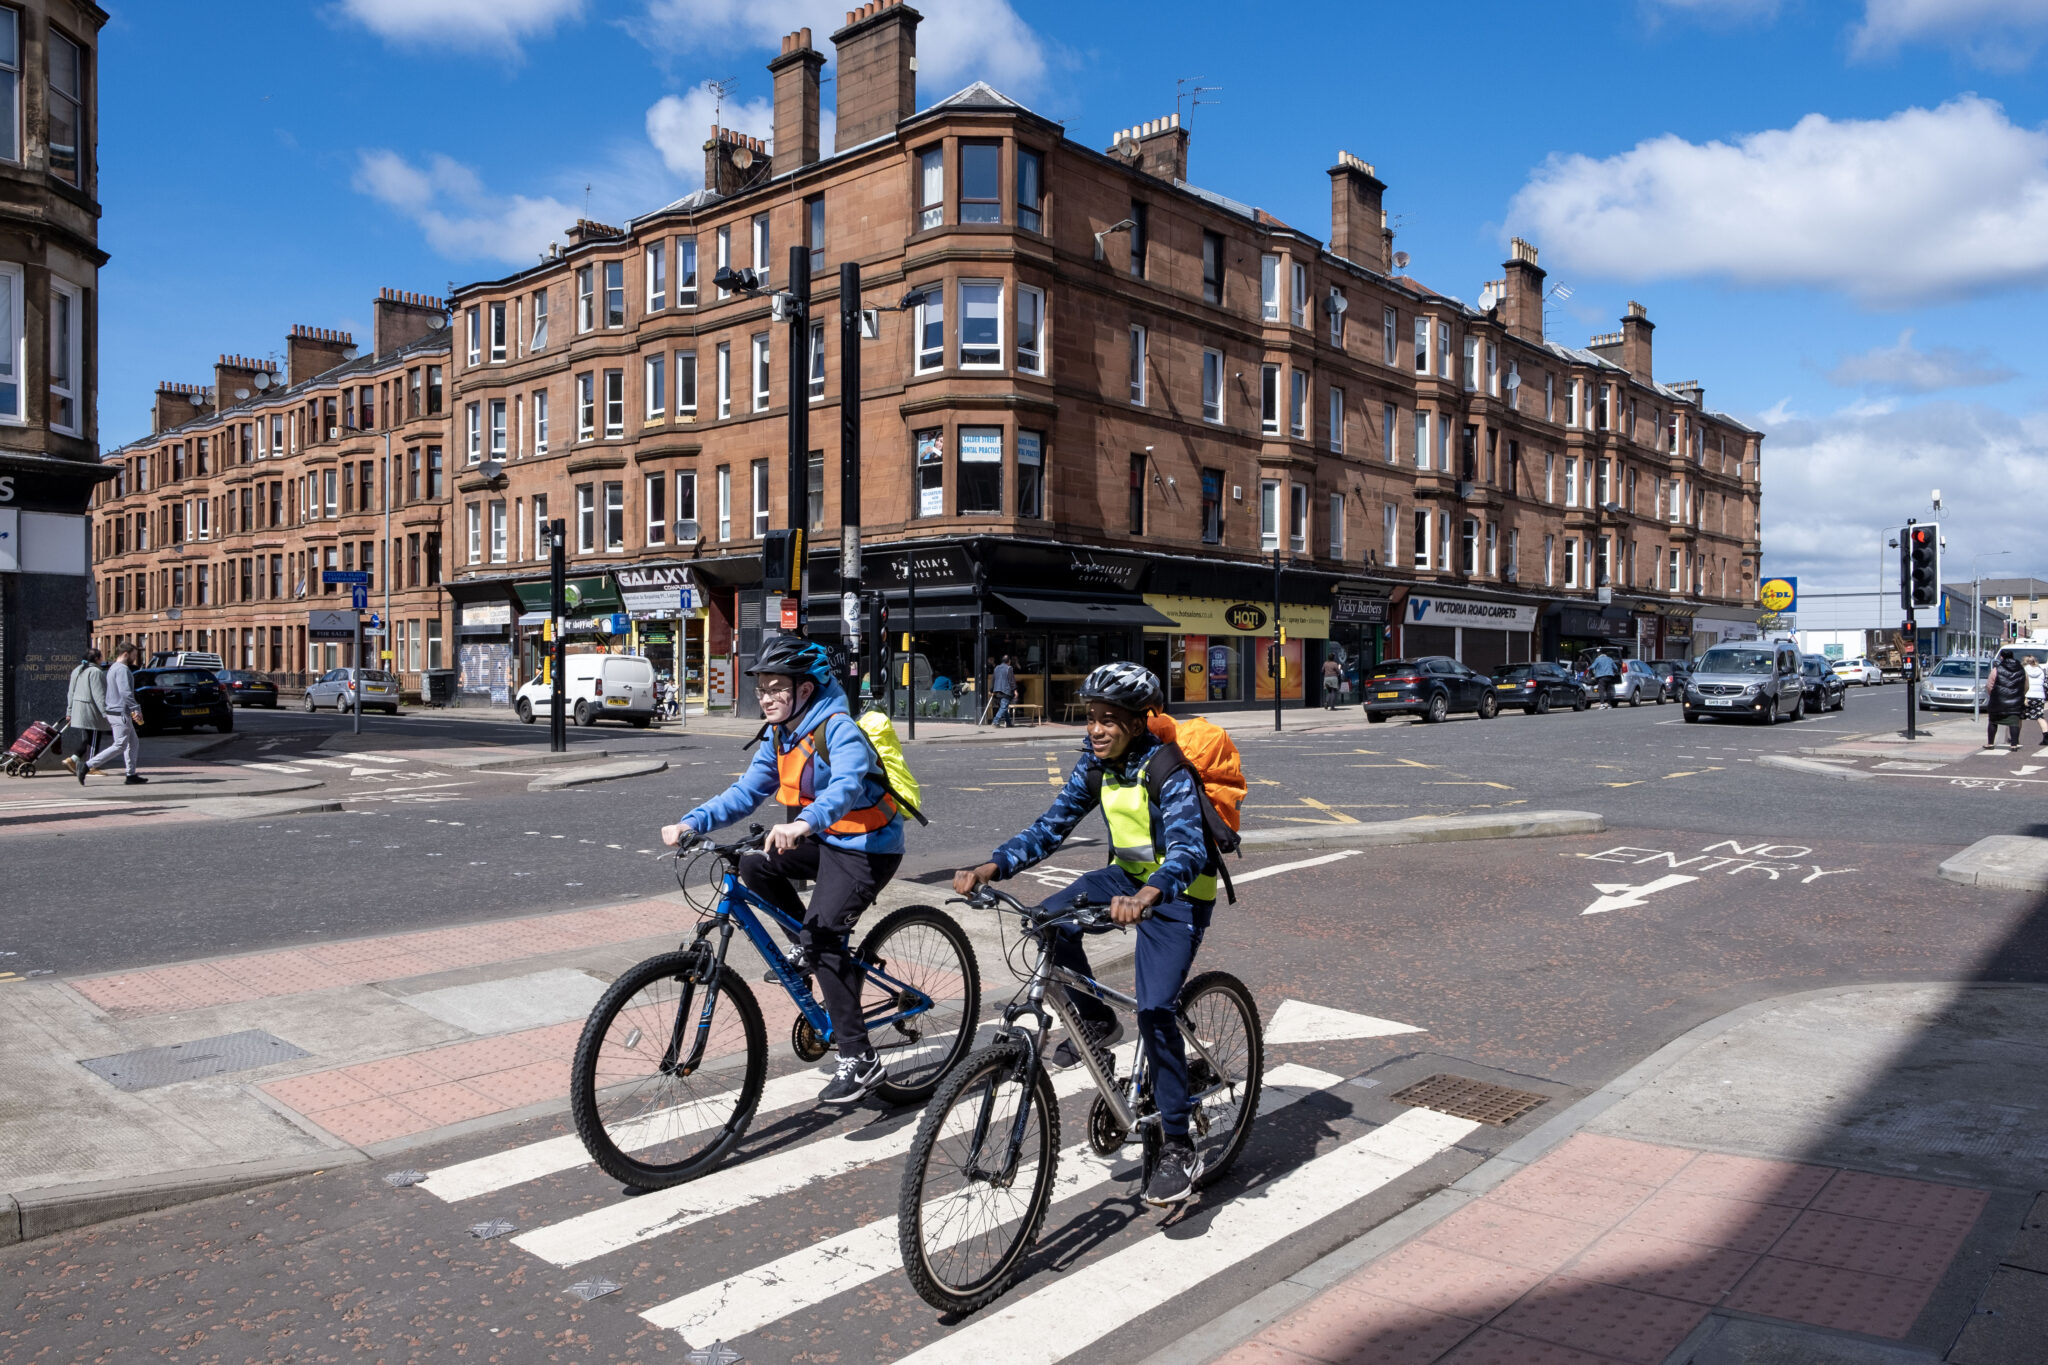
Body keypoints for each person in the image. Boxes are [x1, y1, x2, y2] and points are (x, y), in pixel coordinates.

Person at [953, 661, 1215, 1207]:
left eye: (1109, 719)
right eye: (1091, 717)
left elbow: (1190, 850)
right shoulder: (1095, 766)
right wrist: (992, 867)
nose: (1095, 729)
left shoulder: (1169, 770)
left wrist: (1150, 895)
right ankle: (1095, 1020)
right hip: (1125, 880)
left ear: (1139, 722)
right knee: (1047, 917)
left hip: (1176, 893)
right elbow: (1051, 827)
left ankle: (1177, 1141)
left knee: (1155, 1010)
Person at [660, 636, 907, 1105]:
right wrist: (691, 821)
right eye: (763, 688)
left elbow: (849, 786)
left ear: (806, 691)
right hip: (822, 838)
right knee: (755, 865)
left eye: (777, 688)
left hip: (867, 847)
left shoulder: (837, 729)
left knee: (822, 935)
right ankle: (810, 951)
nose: (767, 697)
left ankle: (860, 1059)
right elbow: (745, 792)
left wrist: (803, 823)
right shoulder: (780, 734)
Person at [83, 644, 146, 785]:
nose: (135, 658)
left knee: (133, 743)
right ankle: (87, 765)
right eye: (134, 655)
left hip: (117, 711)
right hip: (119, 712)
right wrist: (136, 709)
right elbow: (125, 692)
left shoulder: (112, 668)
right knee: (120, 745)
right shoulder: (122, 670)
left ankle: (131, 774)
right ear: (125, 654)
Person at [61, 649, 108, 778]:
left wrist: (69, 711)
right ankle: (91, 766)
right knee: (94, 738)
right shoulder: (96, 672)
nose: (102, 659)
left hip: (78, 709)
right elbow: (99, 695)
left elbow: (70, 692)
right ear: (97, 658)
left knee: (87, 738)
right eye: (101, 657)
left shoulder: (77, 670)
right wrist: (106, 713)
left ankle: (72, 759)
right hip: (91, 710)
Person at [1987, 652, 2028, 750]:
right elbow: (2026, 685)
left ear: (2001, 657)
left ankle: (1990, 743)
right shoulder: (2022, 670)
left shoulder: (1996, 669)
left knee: (1993, 721)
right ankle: (2014, 744)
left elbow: (1989, 685)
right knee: (2014, 722)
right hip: (2015, 701)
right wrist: (2021, 695)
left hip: (1998, 701)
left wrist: (1993, 695)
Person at [2024, 655, 2046, 749]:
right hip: (2039, 696)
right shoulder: (2041, 670)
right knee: (2040, 717)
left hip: (2027, 696)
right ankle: (2046, 737)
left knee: (2020, 717)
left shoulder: (2024, 670)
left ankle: (2015, 739)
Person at [990, 654, 1017, 728]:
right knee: (1004, 707)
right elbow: (1011, 680)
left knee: (1003, 706)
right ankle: (995, 721)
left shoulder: (996, 668)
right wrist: (1015, 690)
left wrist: (991, 689)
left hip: (998, 691)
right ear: (1009, 661)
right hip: (1006, 690)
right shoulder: (1009, 668)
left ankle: (1008, 723)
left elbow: (993, 679)